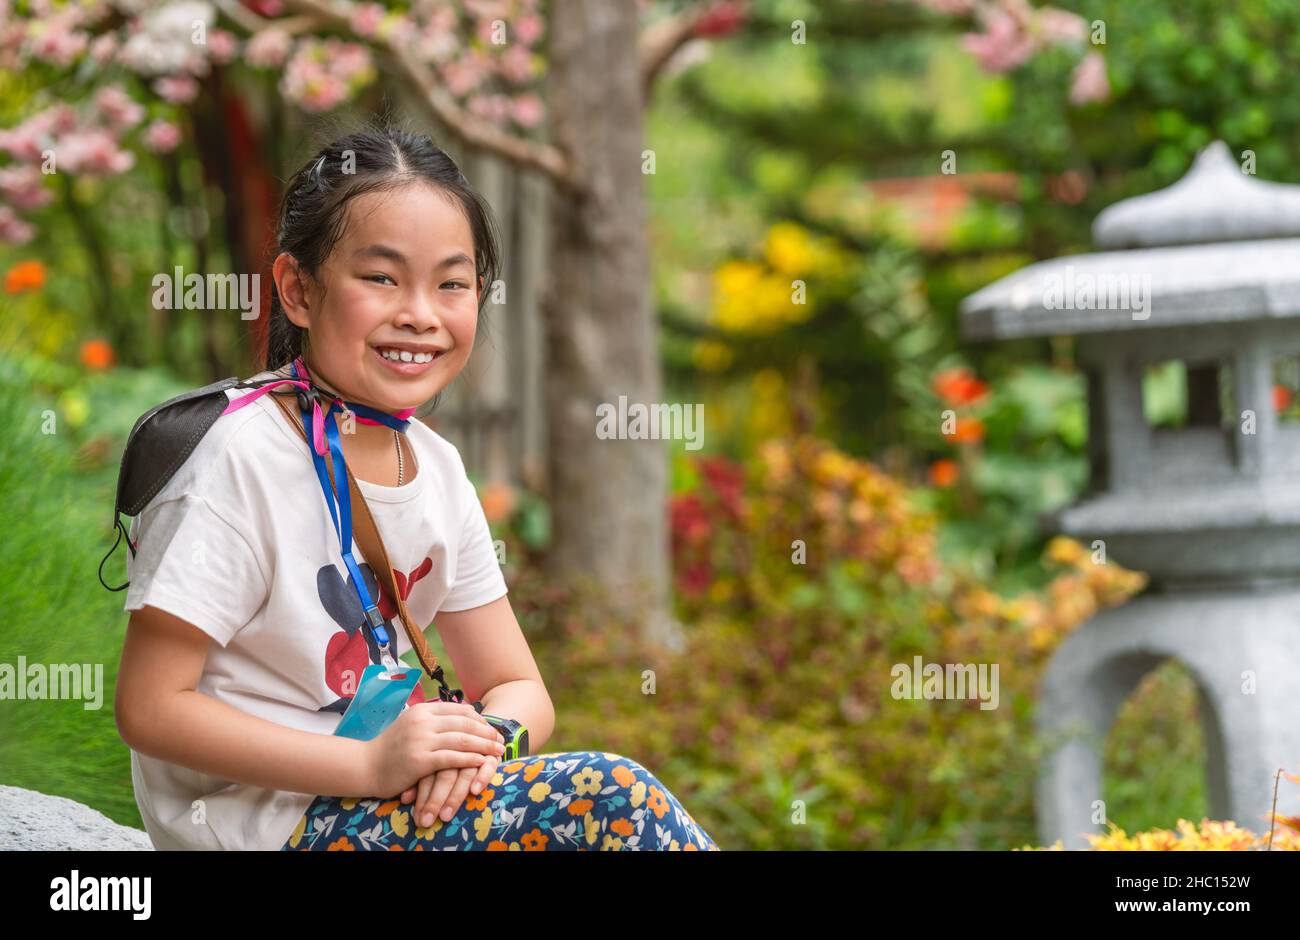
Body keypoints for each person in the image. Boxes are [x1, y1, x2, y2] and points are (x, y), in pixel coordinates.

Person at [115, 122, 719, 852]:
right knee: (613, 799)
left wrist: (474, 747)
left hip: (387, 801)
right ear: (298, 290)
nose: (420, 314)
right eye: (381, 278)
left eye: (451, 283)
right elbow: (150, 709)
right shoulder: (237, 459)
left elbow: (519, 687)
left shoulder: (435, 466)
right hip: (270, 827)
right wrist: (367, 762)